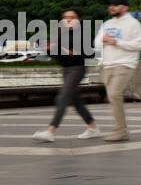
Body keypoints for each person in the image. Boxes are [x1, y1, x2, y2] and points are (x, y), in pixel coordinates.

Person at [33, 9, 103, 142]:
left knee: (63, 97)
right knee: (76, 101)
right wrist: (49, 50)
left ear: (79, 19)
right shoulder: (61, 33)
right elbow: (57, 54)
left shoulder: (84, 33)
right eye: (65, 17)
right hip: (66, 70)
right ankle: (93, 127)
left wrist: (69, 51)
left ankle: (50, 131)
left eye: (72, 17)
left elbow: (88, 54)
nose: (68, 19)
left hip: (77, 69)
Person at [93, 0, 141, 142]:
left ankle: (121, 131)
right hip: (108, 64)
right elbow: (97, 42)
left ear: (124, 7)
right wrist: (102, 41)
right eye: (110, 5)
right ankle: (121, 129)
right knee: (112, 97)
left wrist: (116, 41)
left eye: (115, 5)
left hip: (125, 64)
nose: (111, 7)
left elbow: (139, 45)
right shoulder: (108, 23)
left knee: (115, 94)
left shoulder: (134, 24)